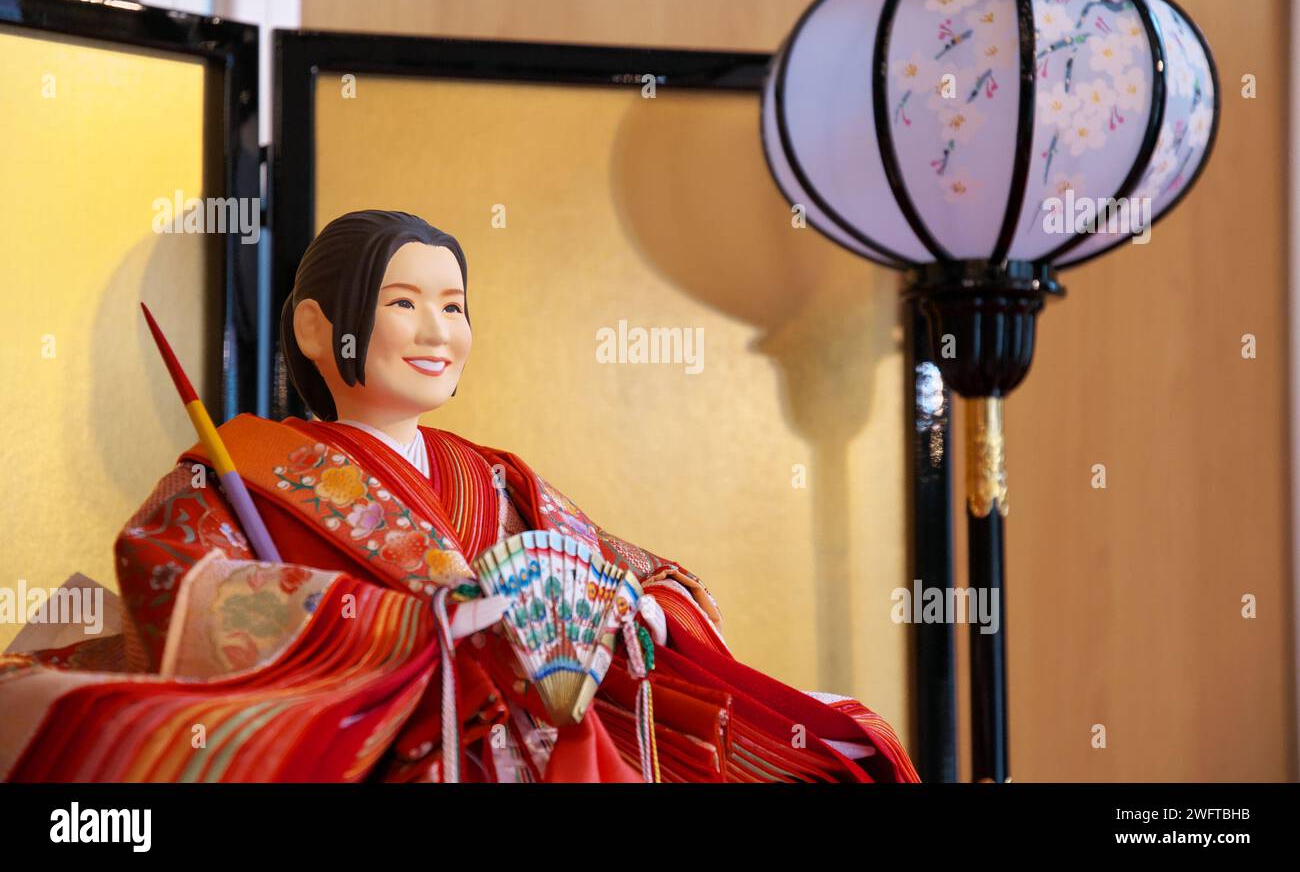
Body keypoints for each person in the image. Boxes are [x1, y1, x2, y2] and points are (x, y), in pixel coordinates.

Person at [0, 210, 918, 783]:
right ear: (319, 329)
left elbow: (642, 575)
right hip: (371, 742)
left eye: (456, 305)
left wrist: (635, 612)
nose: (440, 331)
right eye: (406, 303)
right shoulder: (238, 470)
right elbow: (167, 577)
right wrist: (401, 634)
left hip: (525, 746)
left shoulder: (499, 476)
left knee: (833, 752)